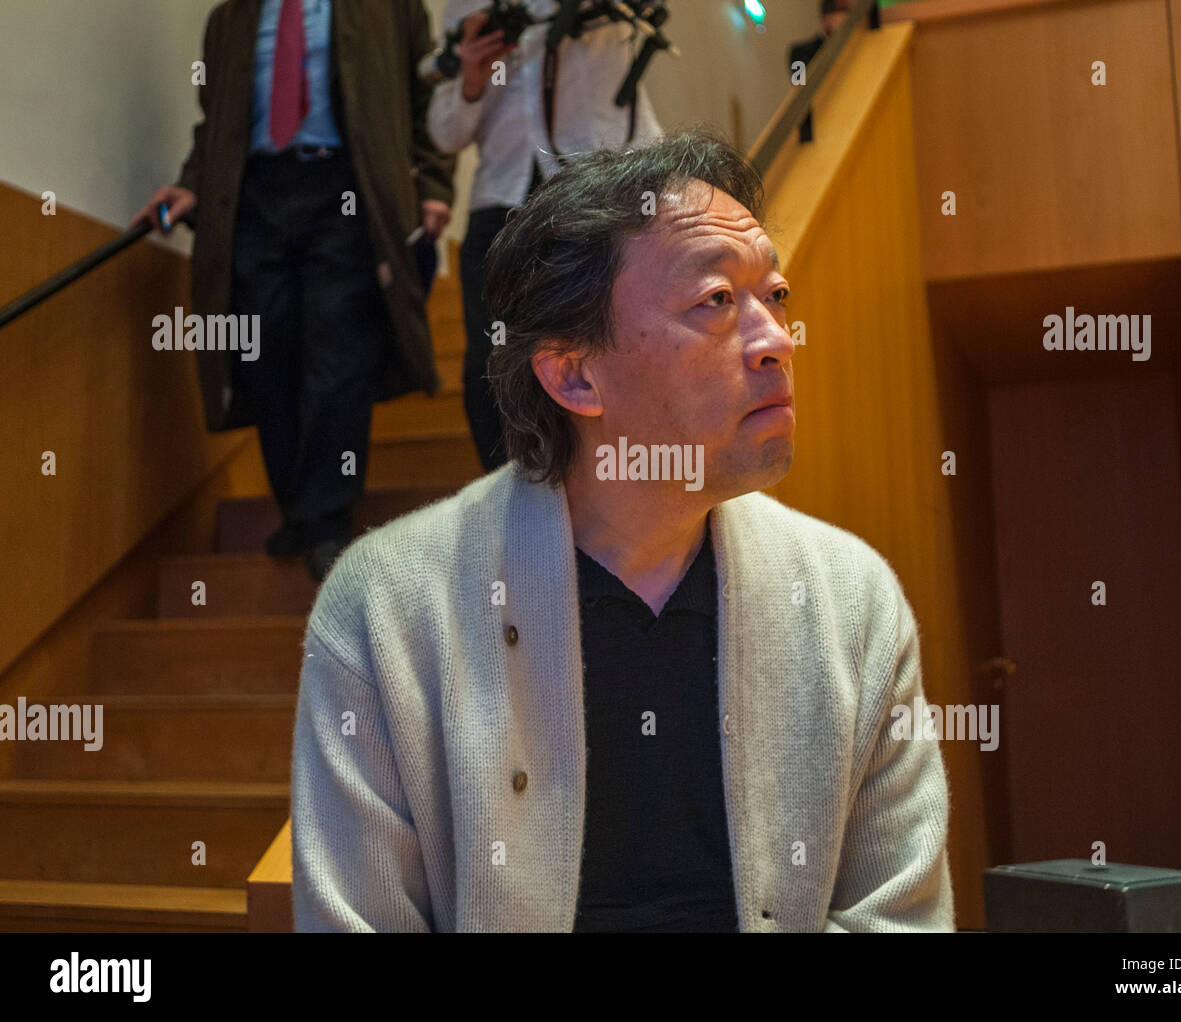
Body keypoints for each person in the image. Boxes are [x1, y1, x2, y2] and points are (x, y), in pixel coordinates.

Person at [290, 129, 956, 932]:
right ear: (574, 373)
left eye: (775, 296)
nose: (778, 339)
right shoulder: (388, 607)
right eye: (716, 302)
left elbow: (903, 918)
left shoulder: (850, 599)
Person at [131, 0, 457, 581]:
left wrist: (431, 183)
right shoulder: (229, 19)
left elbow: (425, 99)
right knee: (262, 354)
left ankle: (326, 519)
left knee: (339, 354)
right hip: (253, 200)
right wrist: (190, 186)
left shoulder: (392, 9)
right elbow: (215, 126)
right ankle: (299, 509)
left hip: (346, 193)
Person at [428, 0, 664, 473]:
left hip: (600, 195)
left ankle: (610, 494)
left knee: (608, 350)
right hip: (502, 202)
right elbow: (444, 133)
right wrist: (472, 79)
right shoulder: (467, 7)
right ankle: (510, 500)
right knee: (494, 367)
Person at [788, 0, 855, 144]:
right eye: (845, 11)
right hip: (821, 133)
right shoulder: (801, 53)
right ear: (828, 18)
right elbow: (800, 86)